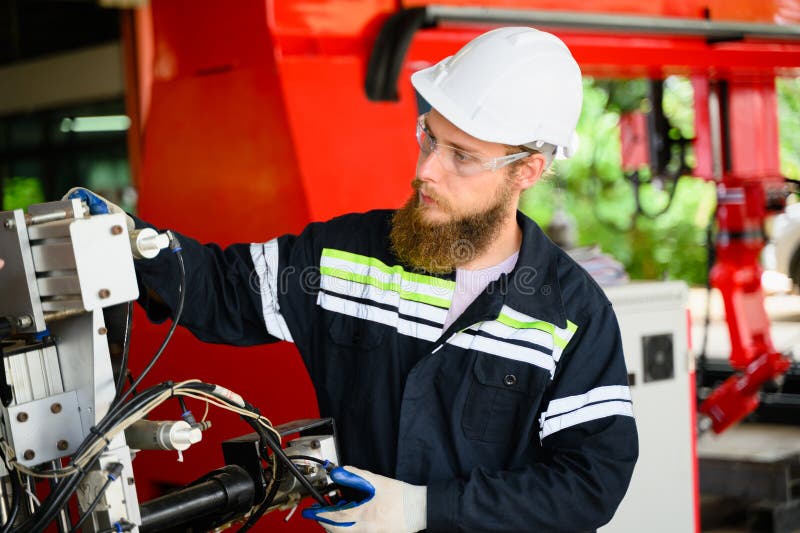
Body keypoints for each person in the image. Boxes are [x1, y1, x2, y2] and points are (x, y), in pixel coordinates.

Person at [70, 27, 637, 533]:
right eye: (429, 137)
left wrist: (424, 509)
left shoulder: (571, 317)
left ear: (526, 171)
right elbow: (220, 287)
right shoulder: (346, 257)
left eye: (461, 156)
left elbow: (589, 484)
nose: (426, 170)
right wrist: (130, 244)